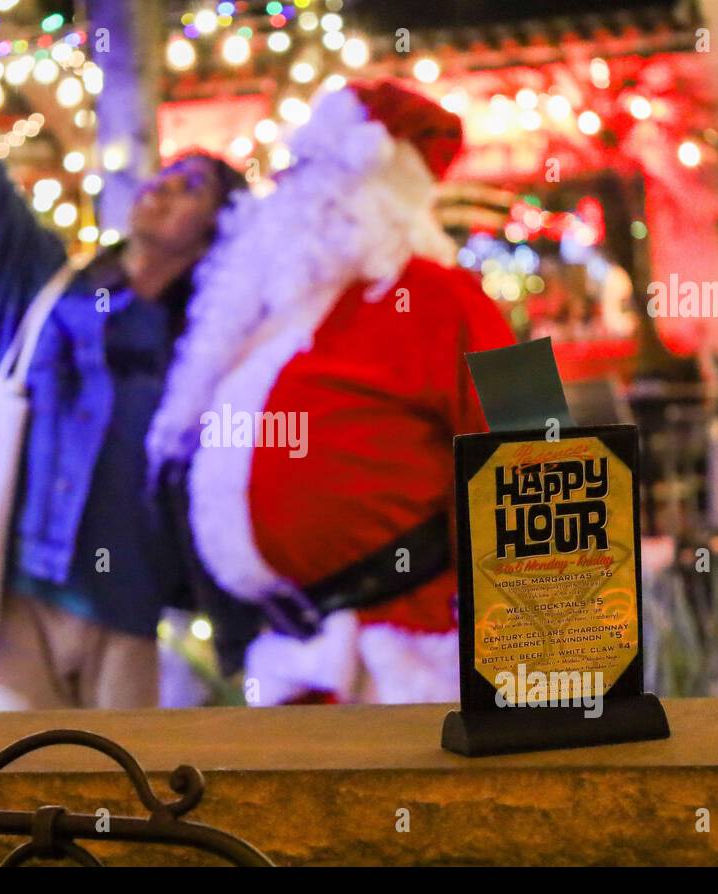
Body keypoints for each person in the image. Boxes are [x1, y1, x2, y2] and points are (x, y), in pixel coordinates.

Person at [0, 0, 245, 710]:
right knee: (16, 792)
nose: (164, 186)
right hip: (17, 604)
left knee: (119, 805)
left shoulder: (211, 346)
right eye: (167, 174)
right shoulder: (43, 290)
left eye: (192, 186)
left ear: (214, 232)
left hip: (130, 614)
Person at [147, 80, 517, 705]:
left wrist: (547, 669)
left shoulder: (455, 299)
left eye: (314, 171)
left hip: (412, 659)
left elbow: (546, 449)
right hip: (295, 658)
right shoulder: (280, 318)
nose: (292, 191)